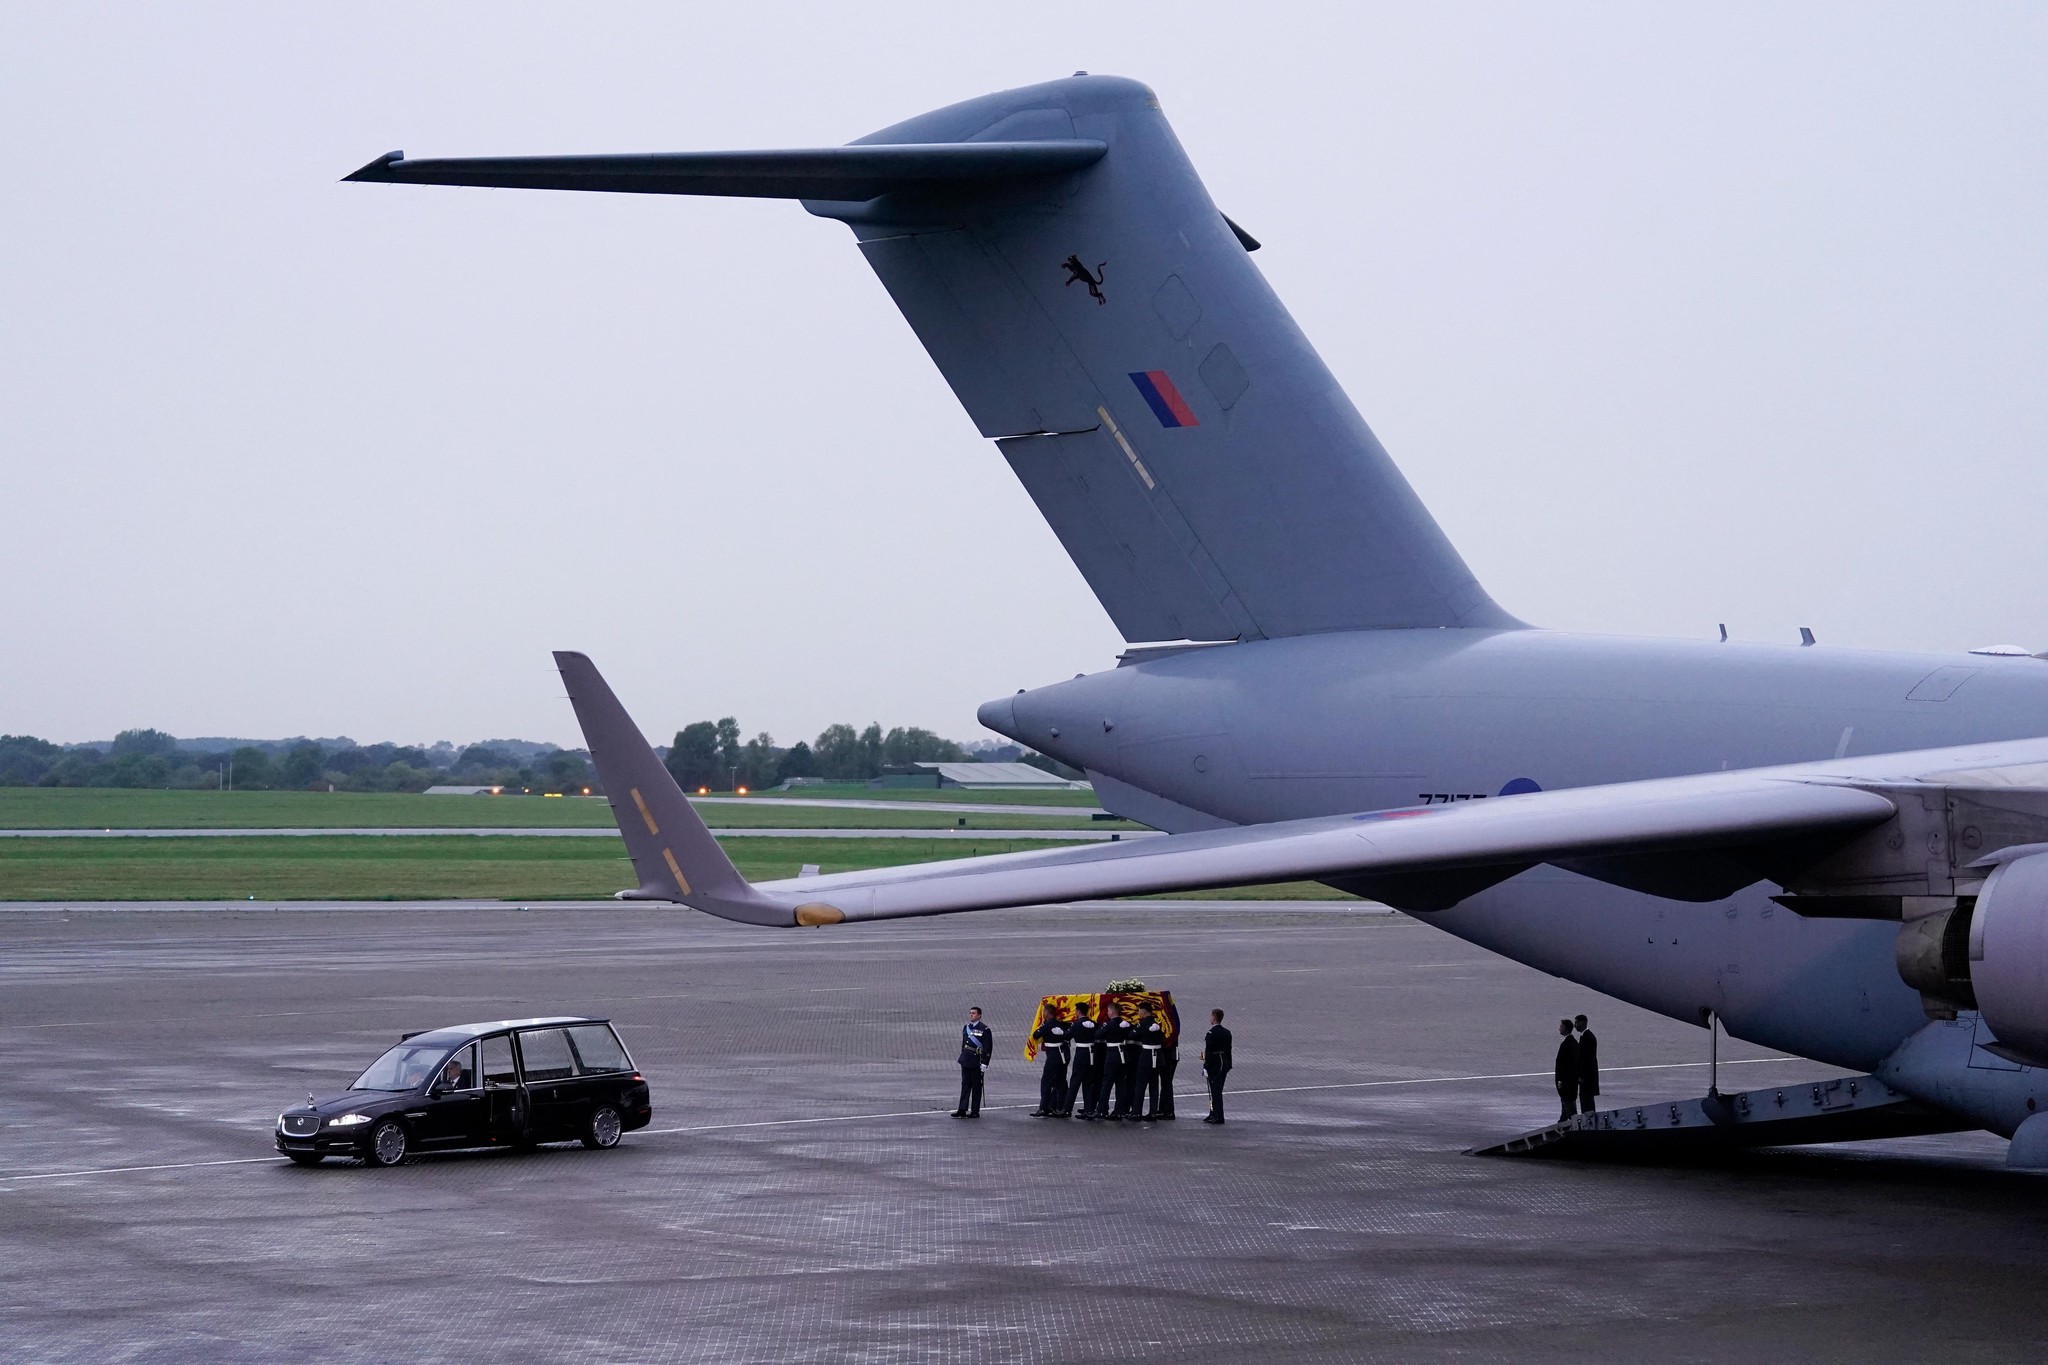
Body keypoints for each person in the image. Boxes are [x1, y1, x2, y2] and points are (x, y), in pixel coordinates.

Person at [1030, 1004, 1073, 1118]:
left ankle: (1043, 1107)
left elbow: (1035, 1035)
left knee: (1046, 1081)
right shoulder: (1062, 1023)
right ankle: (1060, 1106)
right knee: (1061, 1081)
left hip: (1053, 1055)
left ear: (1047, 1013)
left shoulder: (1046, 1025)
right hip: (1063, 1054)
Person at [953, 1007, 993, 1118]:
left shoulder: (985, 1029)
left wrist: (985, 1062)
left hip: (976, 1061)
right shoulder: (966, 1027)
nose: (971, 1015)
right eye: (970, 1013)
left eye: (974, 1013)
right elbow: (963, 1044)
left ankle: (975, 1111)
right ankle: (962, 1108)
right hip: (966, 1059)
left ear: (979, 1015)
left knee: (976, 1086)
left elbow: (988, 1047)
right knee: (965, 1085)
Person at [1063, 1001, 1099, 1119]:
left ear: (1078, 1011)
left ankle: (1067, 1109)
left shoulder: (1076, 1024)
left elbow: (1067, 1035)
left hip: (1081, 1053)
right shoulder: (1094, 1024)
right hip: (1092, 1054)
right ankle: (1088, 1109)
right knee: (1088, 1083)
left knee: (1075, 1082)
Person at [1133, 1002, 1165, 1120]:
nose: (1138, 1013)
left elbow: (1133, 1036)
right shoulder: (1158, 1022)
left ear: (1144, 1011)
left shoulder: (1142, 1023)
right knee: (1154, 1085)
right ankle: (1153, 1112)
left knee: (1140, 1085)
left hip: (1146, 1057)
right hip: (1157, 1057)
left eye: (1139, 1010)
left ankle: (1136, 1112)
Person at [1099, 1006, 1132, 1121]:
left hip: (1112, 1055)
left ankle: (1102, 1110)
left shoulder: (1109, 1024)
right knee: (1120, 1084)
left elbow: (1098, 1034)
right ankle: (1119, 1111)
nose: (1107, 1012)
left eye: (1108, 1010)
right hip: (1123, 1055)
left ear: (1112, 1012)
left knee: (1107, 1083)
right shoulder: (1126, 1024)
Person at [1201, 1009, 1232, 1123]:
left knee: (1215, 1091)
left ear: (1214, 1017)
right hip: (1224, 1063)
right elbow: (1229, 1049)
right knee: (1217, 1090)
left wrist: (1206, 1066)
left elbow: (1208, 1051)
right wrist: (1229, 1064)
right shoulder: (1227, 1032)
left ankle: (1218, 1115)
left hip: (1214, 1064)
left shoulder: (1211, 1033)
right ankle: (1213, 1113)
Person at [1553, 1018, 1579, 1123]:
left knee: (1568, 1104)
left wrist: (1560, 1080)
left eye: (1561, 1026)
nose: (1559, 1028)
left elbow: (1564, 1065)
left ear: (1566, 1028)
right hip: (1570, 1082)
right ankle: (1562, 1121)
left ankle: (1571, 1124)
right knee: (1567, 1104)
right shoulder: (1573, 1043)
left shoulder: (1567, 1044)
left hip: (1566, 1082)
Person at [1574, 1014, 1600, 1115]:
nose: (1575, 1025)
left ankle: (1589, 1123)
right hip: (1588, 1078)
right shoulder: (1586, 1036)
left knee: (1587, 1103)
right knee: (1586, 1101)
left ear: (1582, 1023)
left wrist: (1581, 1076)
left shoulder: (1588, 1038)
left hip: (1587, 1078)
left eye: (1576, 1022)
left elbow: (1587, 1060)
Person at [1156, 1023, 1179, 1120]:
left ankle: (1168, 1111)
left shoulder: (1169, 1030)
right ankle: (1163, 1109)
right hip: (1170, 1056)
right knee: (1166, 1083)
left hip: (1169, 1056)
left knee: (1166, 1083)